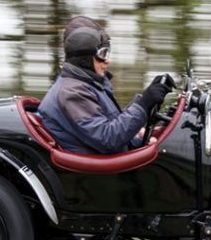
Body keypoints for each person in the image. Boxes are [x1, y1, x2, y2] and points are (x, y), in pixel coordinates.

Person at [38, 16, 174, 154]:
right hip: (94, 170)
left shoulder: (87, 84)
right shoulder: (72, 92)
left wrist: (146, 103)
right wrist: (144, 104)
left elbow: (110, 125)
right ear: (84, 59)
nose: (108, 60)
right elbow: (107, 139)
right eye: (103, 53)